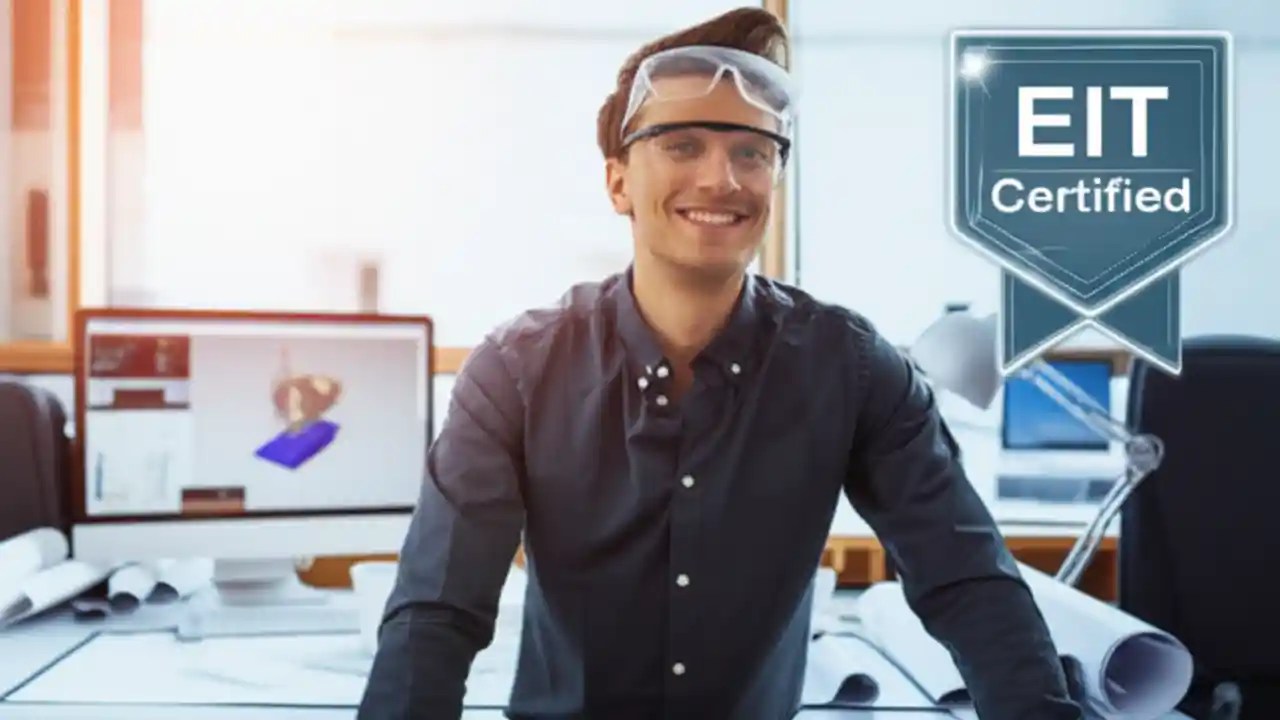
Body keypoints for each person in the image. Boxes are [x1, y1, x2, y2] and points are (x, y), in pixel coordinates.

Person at [358, 7, 1082, 720]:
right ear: (617, 182)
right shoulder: (516, 370)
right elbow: (437, 612)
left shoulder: (854, 370)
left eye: (752, 153)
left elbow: (969, 583)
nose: (722, 178)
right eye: (681, 145)